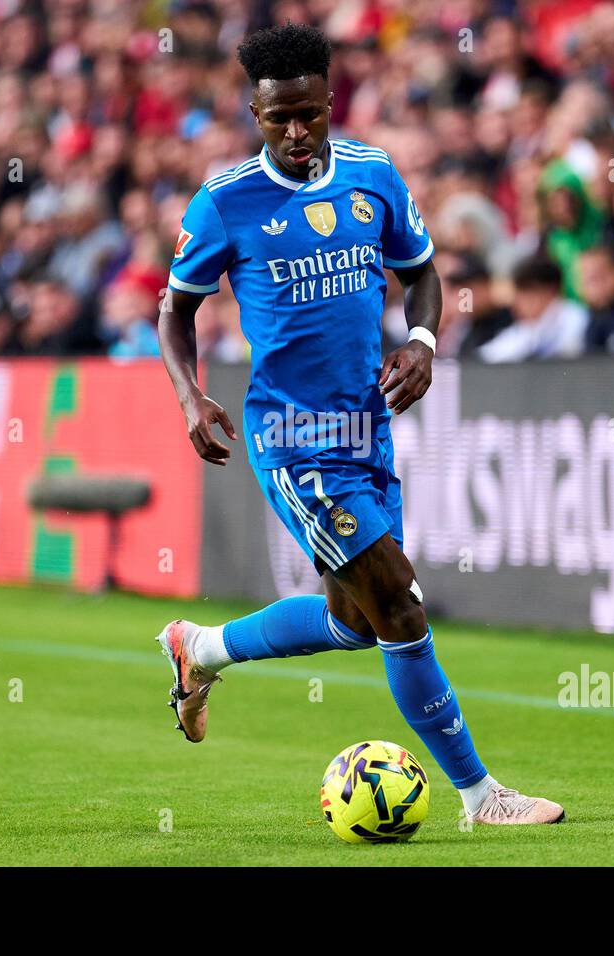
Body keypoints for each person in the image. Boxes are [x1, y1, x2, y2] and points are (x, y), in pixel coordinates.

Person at [155, 23, 564, 827]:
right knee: (402, 606)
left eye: (309, 113)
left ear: (330, 102)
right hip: (293, 443)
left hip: (367, 431)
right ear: (256, 112)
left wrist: (419, 340)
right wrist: (190, 395)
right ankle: (481, 797)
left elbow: (421, 275)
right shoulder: (226, 202)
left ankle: (198, 649)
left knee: (354, 624)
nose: (297, 132)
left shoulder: (373, 177)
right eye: (279, 120)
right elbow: (176, 311)